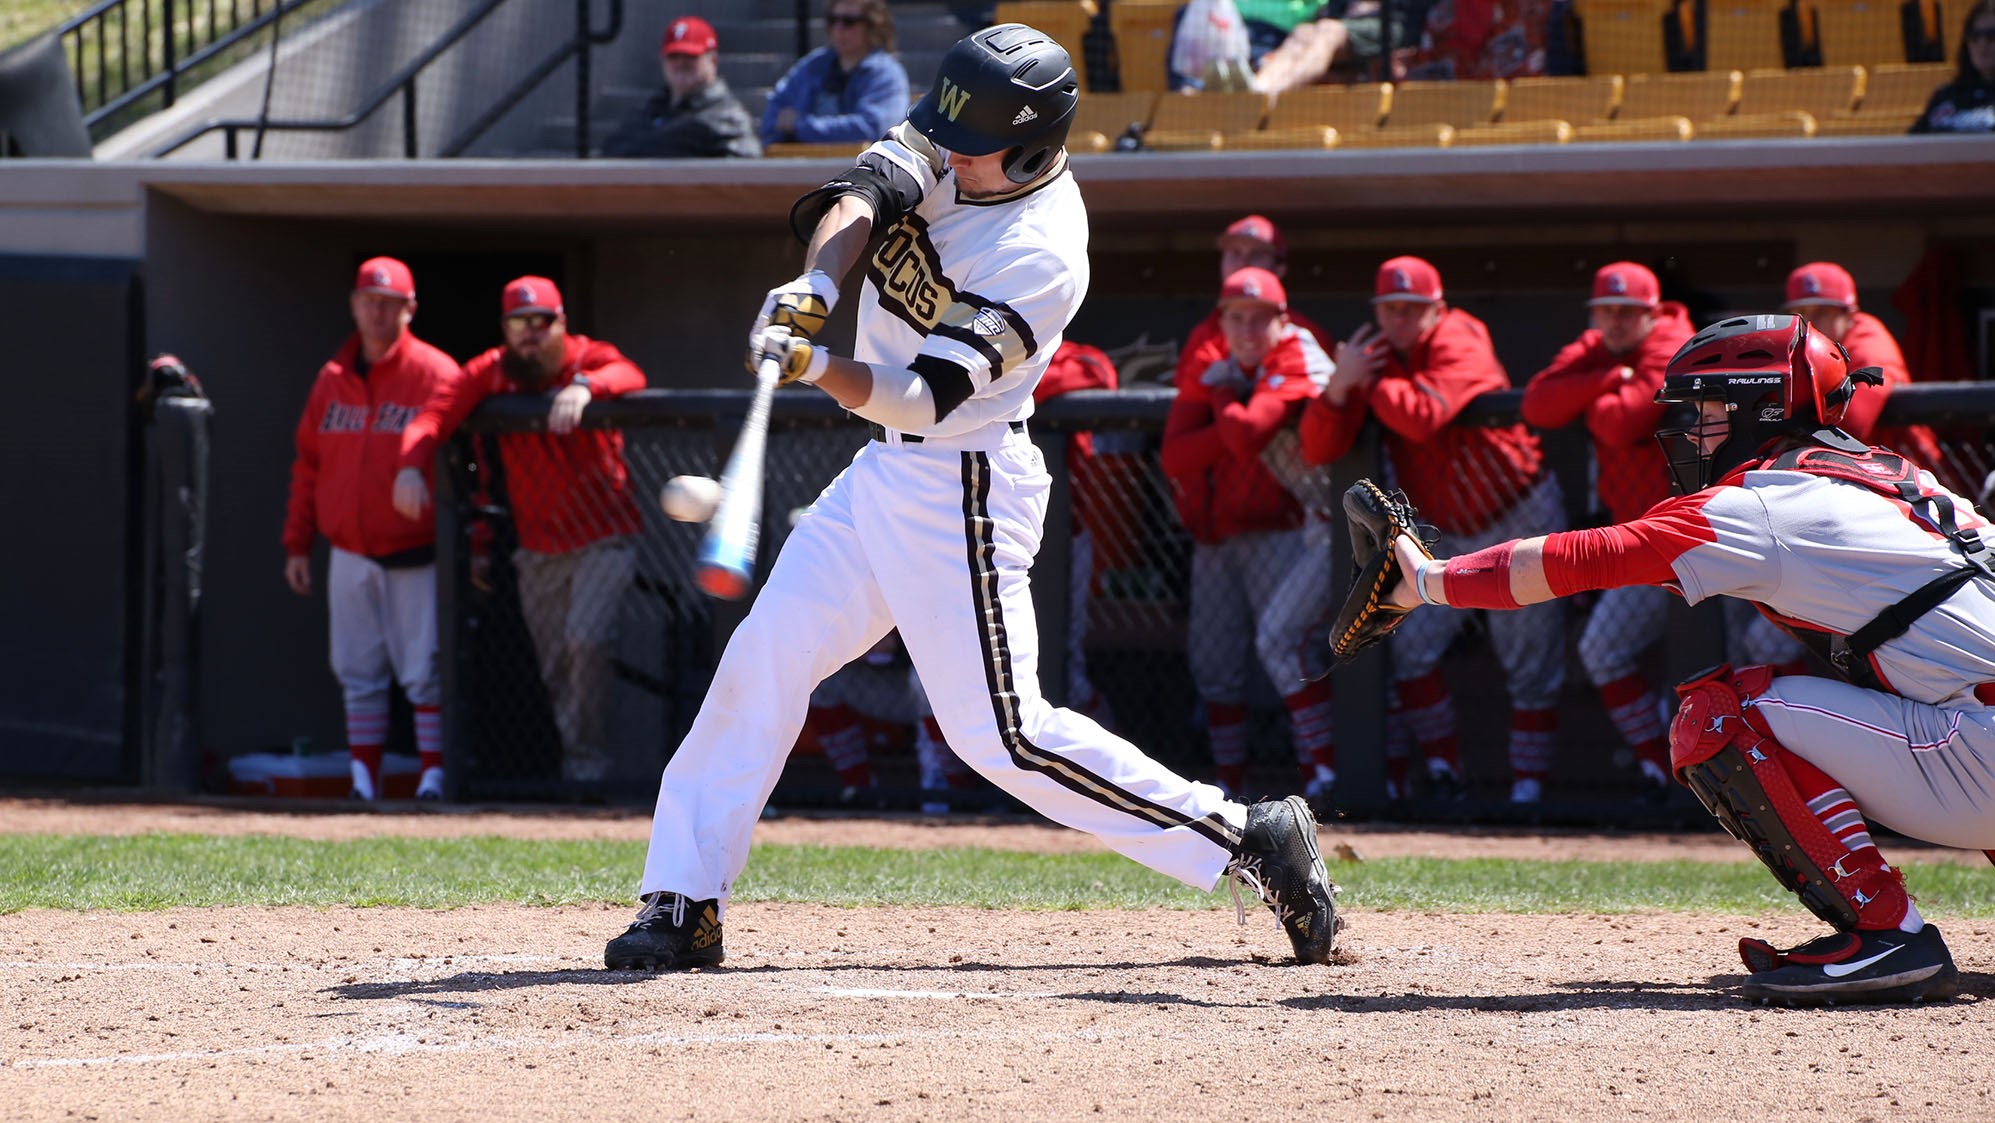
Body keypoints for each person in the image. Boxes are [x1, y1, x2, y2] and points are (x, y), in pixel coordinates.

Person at [605, 24, 1338, 972]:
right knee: (764, 658)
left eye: (969, 145)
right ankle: (684, 898)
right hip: (883, 474)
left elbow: (923, 395)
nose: (945, 155)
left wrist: (815, 363)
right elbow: (862, 195)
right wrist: (813, 286)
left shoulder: (1041, 251)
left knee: (1002, 736)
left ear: (1031, 147)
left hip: (964, 480)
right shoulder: (959, 128)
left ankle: (1246, 834)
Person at [1378, 313, 1989, 1006]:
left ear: (1760, 407)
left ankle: (1885, 934)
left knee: (1724, 712)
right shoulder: (1894, 477)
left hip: (1983, 753)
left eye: (1704, 411)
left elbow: (1573, 560)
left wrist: (1424, 580)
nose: (1689, 430)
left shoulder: (1764, 501)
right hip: (1978, 736)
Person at [1300, 255, 1567, 803]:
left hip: (1518, 512)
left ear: (1437, 309)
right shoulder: (1378, 361)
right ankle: (1447, 773)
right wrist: (1336, 391)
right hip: (1445, 529)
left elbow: (1420, 415)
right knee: (1411, 649)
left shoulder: (1461, 336)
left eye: (1412, 309)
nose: (1399, 318)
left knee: (1529, 664)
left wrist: (1362, 380)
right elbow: (1317, 446)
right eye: (1389, 308)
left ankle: (1529, 793)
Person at [393, 277, 648, 784]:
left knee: (586, 642)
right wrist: (408, 466)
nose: (530, 334)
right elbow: (433, 416)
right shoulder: (493, 370)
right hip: (538, 548)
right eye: (518, 323)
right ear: (504, 330)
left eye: (541, 322)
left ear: (560, 323)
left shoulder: (583, 358)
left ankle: (587, 769)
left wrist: (586, 386)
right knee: (556, 668)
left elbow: (630, 373)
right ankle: (579, 762)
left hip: (604, 537)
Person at [282, 257, 461, 801]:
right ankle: (364, 781)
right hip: (349, 548)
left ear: (410, 309)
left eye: (389, 303)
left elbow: (470, 466)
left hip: (417, 548)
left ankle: (433, 775)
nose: (377, 312)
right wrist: (297, 541)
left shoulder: (436, 372)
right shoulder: (332, 378)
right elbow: (307, 463)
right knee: (357, 669)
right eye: (368, 301)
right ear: (354, 304)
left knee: (423, 669)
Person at [1162, 267, 1339, 801]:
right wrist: (1226, 392)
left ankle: (1333, 775)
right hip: (1327, 520)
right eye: (1235, 318)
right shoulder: (1241, 367)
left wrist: (1222, 397)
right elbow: (1175, 454)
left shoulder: (1296, 352)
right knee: (1303, 643)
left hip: (1374, 517)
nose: (1246, 330)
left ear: (1283, 322)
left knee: (1301, 642)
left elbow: (1242, 436)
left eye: (1260, 320)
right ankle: (1324, 774)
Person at [1519, 262, 1694, 797]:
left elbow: (1620, 423)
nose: (1615, 322)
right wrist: (1604, 380)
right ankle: (1661, 769)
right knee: (1602, 650)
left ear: (1652, 312)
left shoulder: (1674, 339)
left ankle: (1731, 778)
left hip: (1707, 535)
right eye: (1606, 312)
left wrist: (1599, 396)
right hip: (1642, 538)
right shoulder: (1602, 351)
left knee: (1730, 661)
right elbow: (1537, 402)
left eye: (1628, 312)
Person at [1783, 262, 1949, 479]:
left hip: (1908, 477)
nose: (1811, 322)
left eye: (1823, 312)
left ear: (1850, 313)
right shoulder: (1806, 349)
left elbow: (1850, 424)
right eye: (1801, 312)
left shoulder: (1870, 344)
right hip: (1860, 470)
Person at [599, 16, 760, 159]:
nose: (681, 63)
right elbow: (610, 153)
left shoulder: (728, 116)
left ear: (713, 61)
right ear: (663, 60)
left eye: (691, 56)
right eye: (673, 56)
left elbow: (746, 173)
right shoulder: (648, 112)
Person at [759, 0, 910, 149]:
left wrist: (800, 126)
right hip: (802, 167)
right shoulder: (813, 65)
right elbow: (772, 119)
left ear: (872, 25)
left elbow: (873, 128)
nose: (838, 28)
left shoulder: (886, 74)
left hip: (861, 169)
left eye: (849, 21)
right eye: (833, 20)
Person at [1910, 0, 1995, 134]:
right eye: (1974, 36)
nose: (1982, 44)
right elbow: (1913, 146)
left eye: (1992, 36)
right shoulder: (1946, 96)